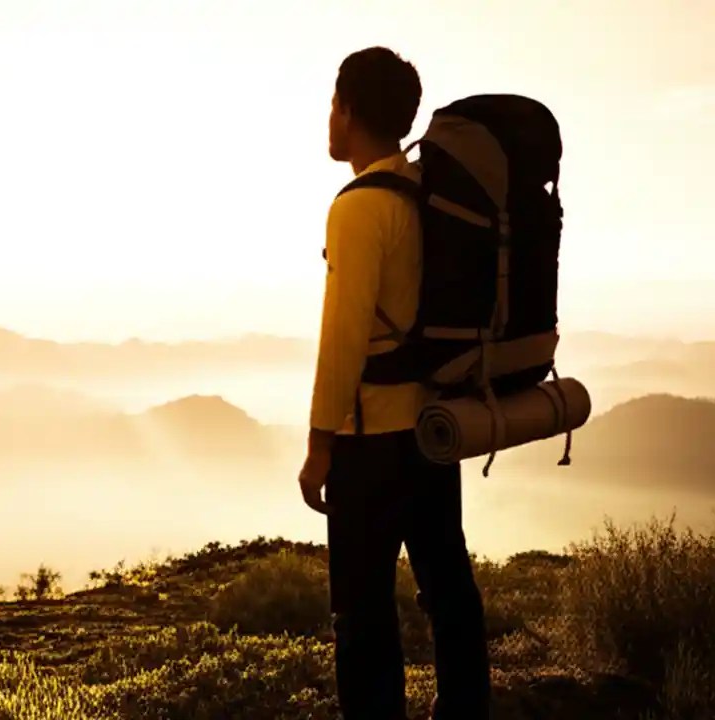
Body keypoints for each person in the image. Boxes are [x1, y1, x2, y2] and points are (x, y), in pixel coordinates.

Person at [298, 47, 492, 719]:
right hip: (434, 431)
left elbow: (344, 339)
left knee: (361, 611)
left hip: (370, 440)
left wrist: (319, 445)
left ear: (349, 111)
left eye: (332, 103)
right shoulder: (425, 195)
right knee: (447, 589)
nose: (328, 117)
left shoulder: (357, 208)